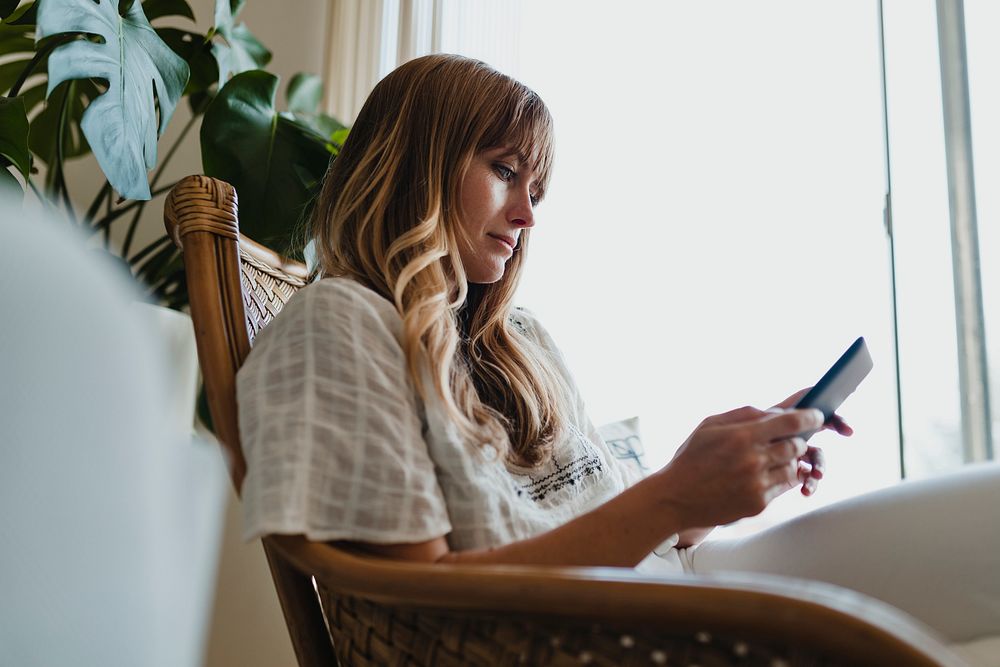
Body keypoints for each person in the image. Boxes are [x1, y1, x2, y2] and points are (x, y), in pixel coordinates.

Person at [237, 53, 1000, 648]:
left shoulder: (518, 339)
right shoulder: (341, 325)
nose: (528, 213)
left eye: (537, 186)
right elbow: (426, 610)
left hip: (680, 582)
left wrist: (712, 482)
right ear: (416, 163)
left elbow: (610, 518)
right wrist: (671, 495)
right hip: (625, 633)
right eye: (505, 170)